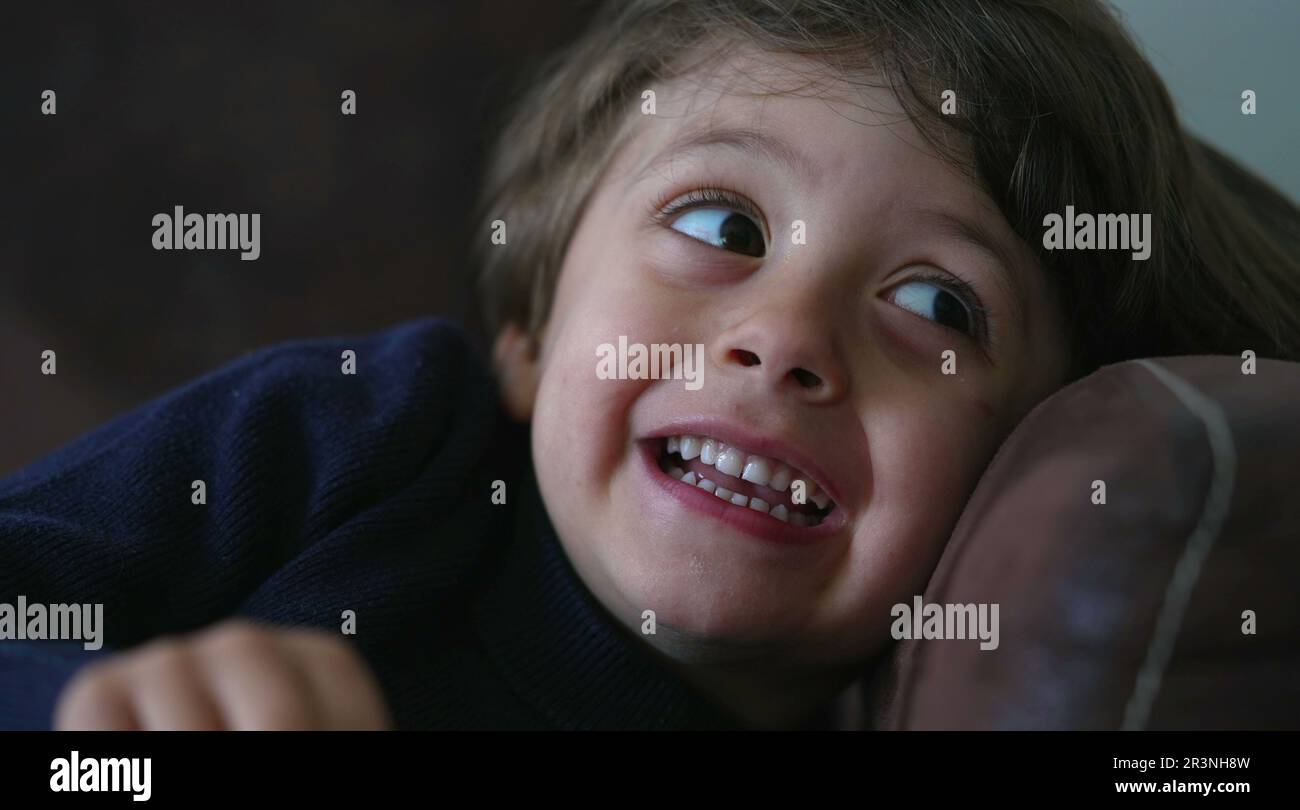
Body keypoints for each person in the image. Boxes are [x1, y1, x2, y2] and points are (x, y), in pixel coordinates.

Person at [2, 0, 1297, 730]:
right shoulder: (368, 432)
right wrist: (101, 735)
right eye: (722, 225)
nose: (786, 337)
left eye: (935, 301)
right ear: (529, 332)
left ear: (1013, 462)